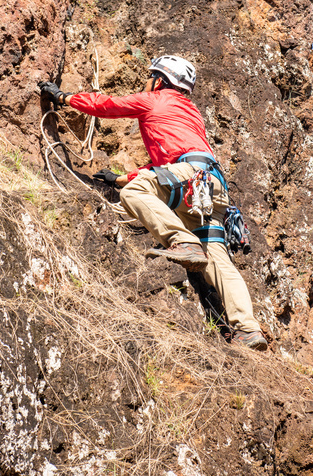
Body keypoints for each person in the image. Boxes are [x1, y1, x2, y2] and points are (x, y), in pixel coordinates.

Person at [39, 56, 268, 351]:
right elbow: (169, 164)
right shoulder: (190, 112)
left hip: (189, 180)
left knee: (134, 194)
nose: (147, 81)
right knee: (219, 263)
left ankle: (182, 241)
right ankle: (248, 330)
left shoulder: (157, 99)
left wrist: (64, 97)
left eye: (151, 77)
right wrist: (119, 178)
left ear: (160, 80)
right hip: (211, 189)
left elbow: (107, 105)